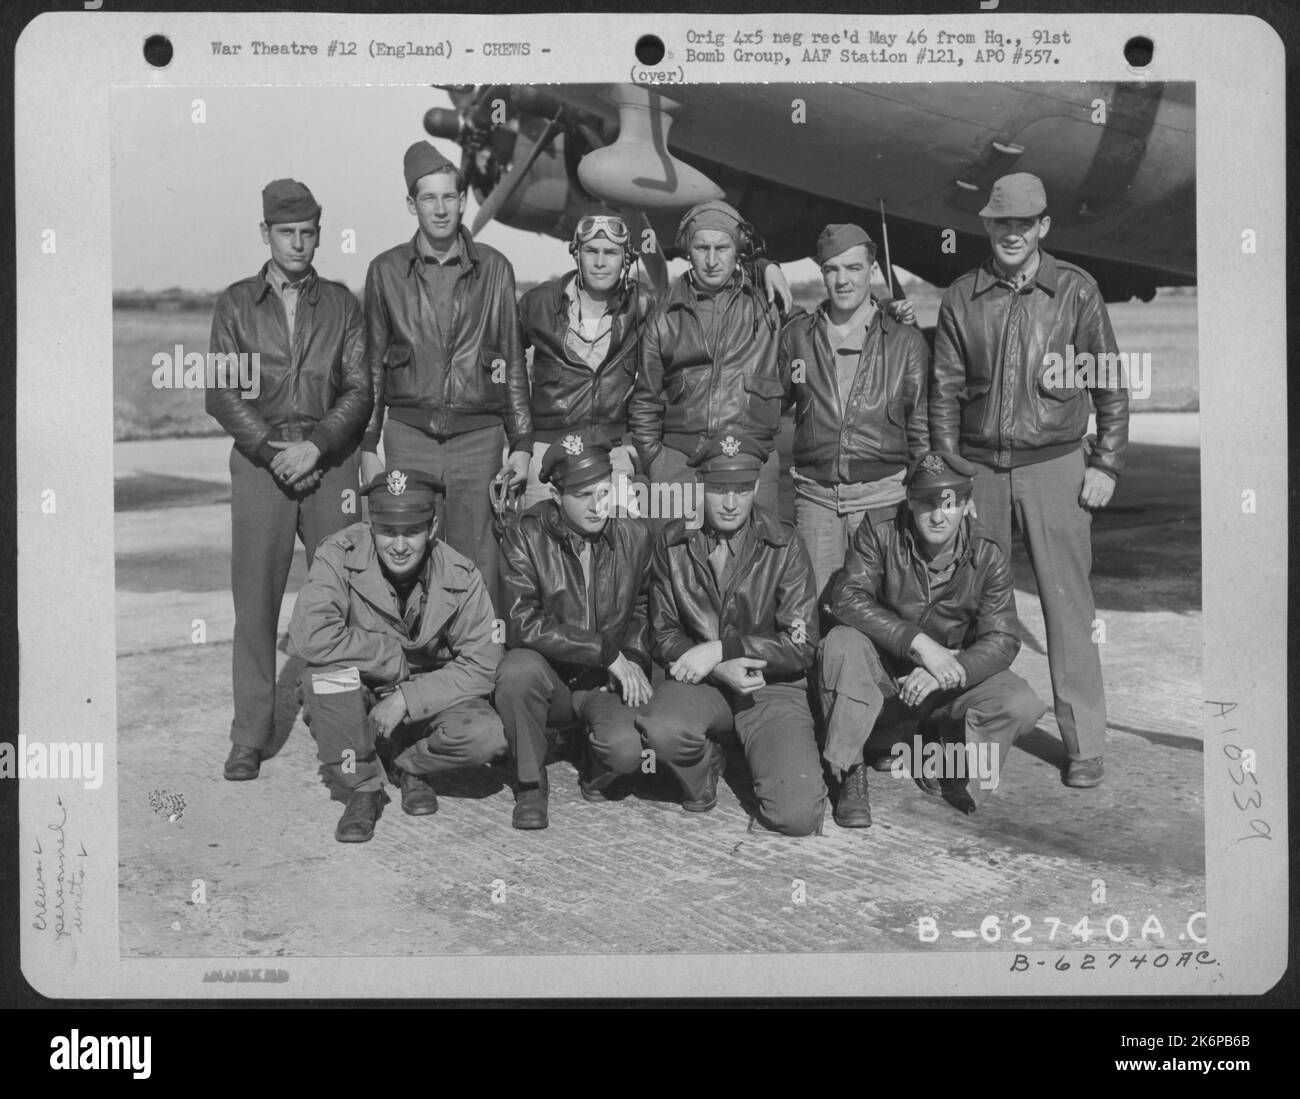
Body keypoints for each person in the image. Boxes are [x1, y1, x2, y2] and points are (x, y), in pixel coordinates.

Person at [929, 173, 1128, 789]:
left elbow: (1109, 385)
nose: (1011, 233)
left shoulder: (1074, 290)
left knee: (1068, 608)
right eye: (1000, 222)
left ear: (1043, 226)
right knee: (967, 607)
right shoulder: (962, 296)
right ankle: (963, 733)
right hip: (979, 468)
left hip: (1055, 465)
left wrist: (1106, 461)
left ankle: (1085, 743)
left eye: (1024, 223)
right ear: (986, 226)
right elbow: (943, 394)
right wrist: (946, 470)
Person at [206, 178, 372, 782]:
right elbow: (219, 391)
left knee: (342, 601)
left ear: (318, 235)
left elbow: (360, 388)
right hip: (261, 469)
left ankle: (348, 730)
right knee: (255, 607)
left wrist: (318, 445)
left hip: (329, 466)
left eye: (307, 233)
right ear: (266, 234)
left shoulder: (342, 303)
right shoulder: (235, 303)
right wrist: (273, 448)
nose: (298, 243)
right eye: (286, 233)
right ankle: (250, 735)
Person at [820, 451, 1047, 824]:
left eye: (950, 503)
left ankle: (945, 754)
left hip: (945, 684)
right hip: (882, 679)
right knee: (840, 643)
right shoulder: (879, 529)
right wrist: (920, 645)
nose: (939, 515)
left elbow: (1003, 638)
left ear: (967, 505)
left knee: (1019, 701)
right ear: (909, 502)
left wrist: (949, 666)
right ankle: (850, 769)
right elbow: (845, 597)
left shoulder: (988, 553)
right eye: (927, 503)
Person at [288, 468, 506, 842]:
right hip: (365, 685)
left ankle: (406, 764)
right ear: (372, 526)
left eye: (412, 531)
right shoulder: (339, 554)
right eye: (388, 531)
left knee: (487, 736)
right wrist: (387, 655)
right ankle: (364, 787)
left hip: (428, 695)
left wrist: (407, 698)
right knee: (322, 681)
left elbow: (484, 662)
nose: (400, 545)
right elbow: (310, 634)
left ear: (432, 528)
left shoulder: (460, 573)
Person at [361, 140, 532, 608]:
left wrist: (520, 445)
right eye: (429, 198)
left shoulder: (495, 269)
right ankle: (415, 668)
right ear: (411, 204)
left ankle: (479, 669)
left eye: (450, 197)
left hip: (479, 439)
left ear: (464, 201)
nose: (440, 209)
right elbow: (373, 364)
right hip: (408, 436)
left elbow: (512, 360)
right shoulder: (385, 272)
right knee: (406, 556)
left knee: (478, 564)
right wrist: (367, 446)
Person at [636, 432, 826, 835]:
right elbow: (662, 634)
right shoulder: (672, 542)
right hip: (703, 683)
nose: (729, 503)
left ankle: (766, 755)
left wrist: (725, 648)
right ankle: (705, 764)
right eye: (719, 488)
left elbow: (801, 641)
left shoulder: (784, 543)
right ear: (700, 485)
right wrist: (718, 665)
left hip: (770, 685)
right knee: (662, 729)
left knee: (796, 816)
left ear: (756, 487)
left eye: (741, 490)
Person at [495, 430, 654, 829]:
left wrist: (631, 658)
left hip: (605, 681)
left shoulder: (635, 534)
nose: (598, 505)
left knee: (626, 751)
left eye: (603, 492)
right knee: (517, 670)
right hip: (554, 681)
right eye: (583, 496)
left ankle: (593, 758)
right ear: (556, 495)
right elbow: (521, 622)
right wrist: (604, 650)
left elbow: (645, 607)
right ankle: (530, 783)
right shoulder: (525, 534)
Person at [779, 223, 930, 603]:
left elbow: (922, 427)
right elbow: (767, 409)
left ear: (873, 271)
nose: (843, 280)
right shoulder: (797, 338)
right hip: (817, 503)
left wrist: (933, 493)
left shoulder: (905, 341)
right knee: (817, 612)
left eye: (854, 268)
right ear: (822, 273)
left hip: (882, 501)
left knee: (883, 612)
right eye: (832, 269)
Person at [628, 201, 790, 519]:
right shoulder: (664, 316)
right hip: (680, 464)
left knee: (753, 564)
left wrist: (765, 264)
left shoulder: (769, 306)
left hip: (751, 462)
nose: (712, 260)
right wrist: (656, 462)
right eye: (702, 248)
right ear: (689, 251)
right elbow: (645, 400)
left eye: (722, 247)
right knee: (675, 564)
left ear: (738, 250)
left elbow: (817, 338)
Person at [516, 212, 654, 514]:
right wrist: (522, 443)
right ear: (576, 253)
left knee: (623, 550)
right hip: (547, 451)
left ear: (626, 259)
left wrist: (638, 447)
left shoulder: (644, 306)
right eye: (591, 251)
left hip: (613, 451)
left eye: (611, 253)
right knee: (541, 548)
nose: (601, 262)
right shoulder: (538, 304)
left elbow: (666, 377)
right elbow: (507, 370)